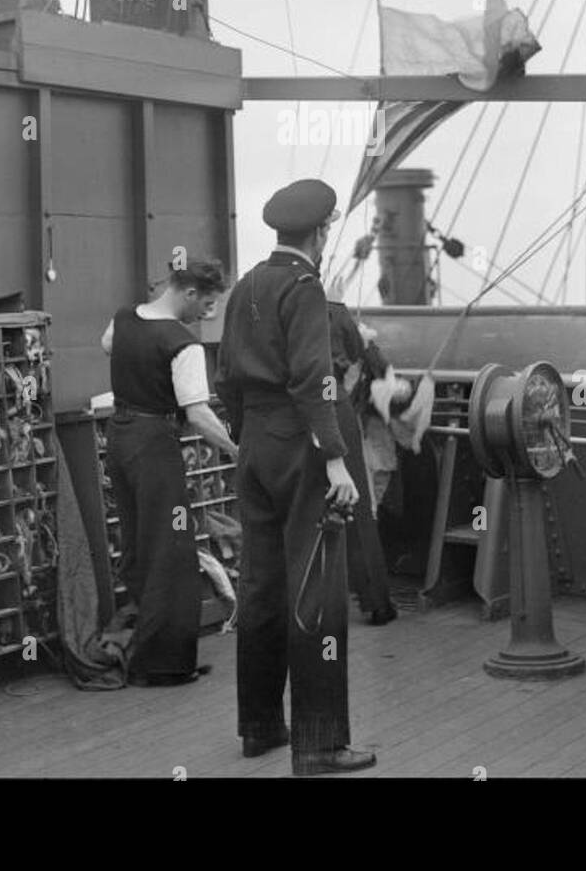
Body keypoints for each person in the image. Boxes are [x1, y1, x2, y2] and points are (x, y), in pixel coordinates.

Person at [215, 178, 376, 777]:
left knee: (259, 588)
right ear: (322, 231)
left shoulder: (247, 286)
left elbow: (226, 375)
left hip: (254, 444)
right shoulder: (304, 288)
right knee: (316, 589)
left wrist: (246, 435)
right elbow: (316, 380)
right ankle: (320, 743)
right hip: (300, 446)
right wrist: (334, 457)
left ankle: (258, 727)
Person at [101, 258, 236, 686]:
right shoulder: (183, 343)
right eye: (208, 304)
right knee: (172, 548)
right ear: (190, 292)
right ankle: (165, 664)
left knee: (138, 544)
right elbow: (197, 414)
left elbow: (108, 345)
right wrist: (237, 449)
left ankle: (141, 648)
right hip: (156, 445)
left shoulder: (124, 319)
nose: (207, 314)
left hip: (119, 439)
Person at [327, 298, 397, 626]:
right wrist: (366, 342)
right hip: (334, 411)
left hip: (285, 414)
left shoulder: (263, 302)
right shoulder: (334, 311)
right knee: (356, 510)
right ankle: (376, 603)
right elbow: (368, 361)